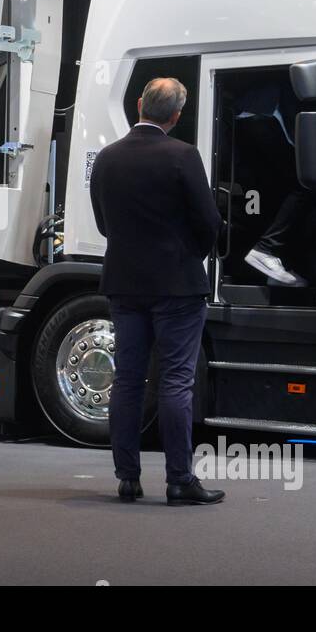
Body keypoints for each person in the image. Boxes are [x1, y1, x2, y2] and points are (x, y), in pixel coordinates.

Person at [89, 78, 225, 506]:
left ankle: (127, 478)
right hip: (178, 287)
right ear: (176, 115)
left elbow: (102, 223)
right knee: (176, 381)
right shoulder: (183, 156)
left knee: (127, 380)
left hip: (125, 285)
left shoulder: (107, 158)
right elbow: (209, 223)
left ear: (138, 105)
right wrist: (188, 256)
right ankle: (179, 480)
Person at [234, 82, 316, 287]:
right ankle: (266, 249)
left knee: (285, 189)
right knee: (309, 182)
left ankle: (277, 262)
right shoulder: (302, 97)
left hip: (253, 114)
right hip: (264, 113)